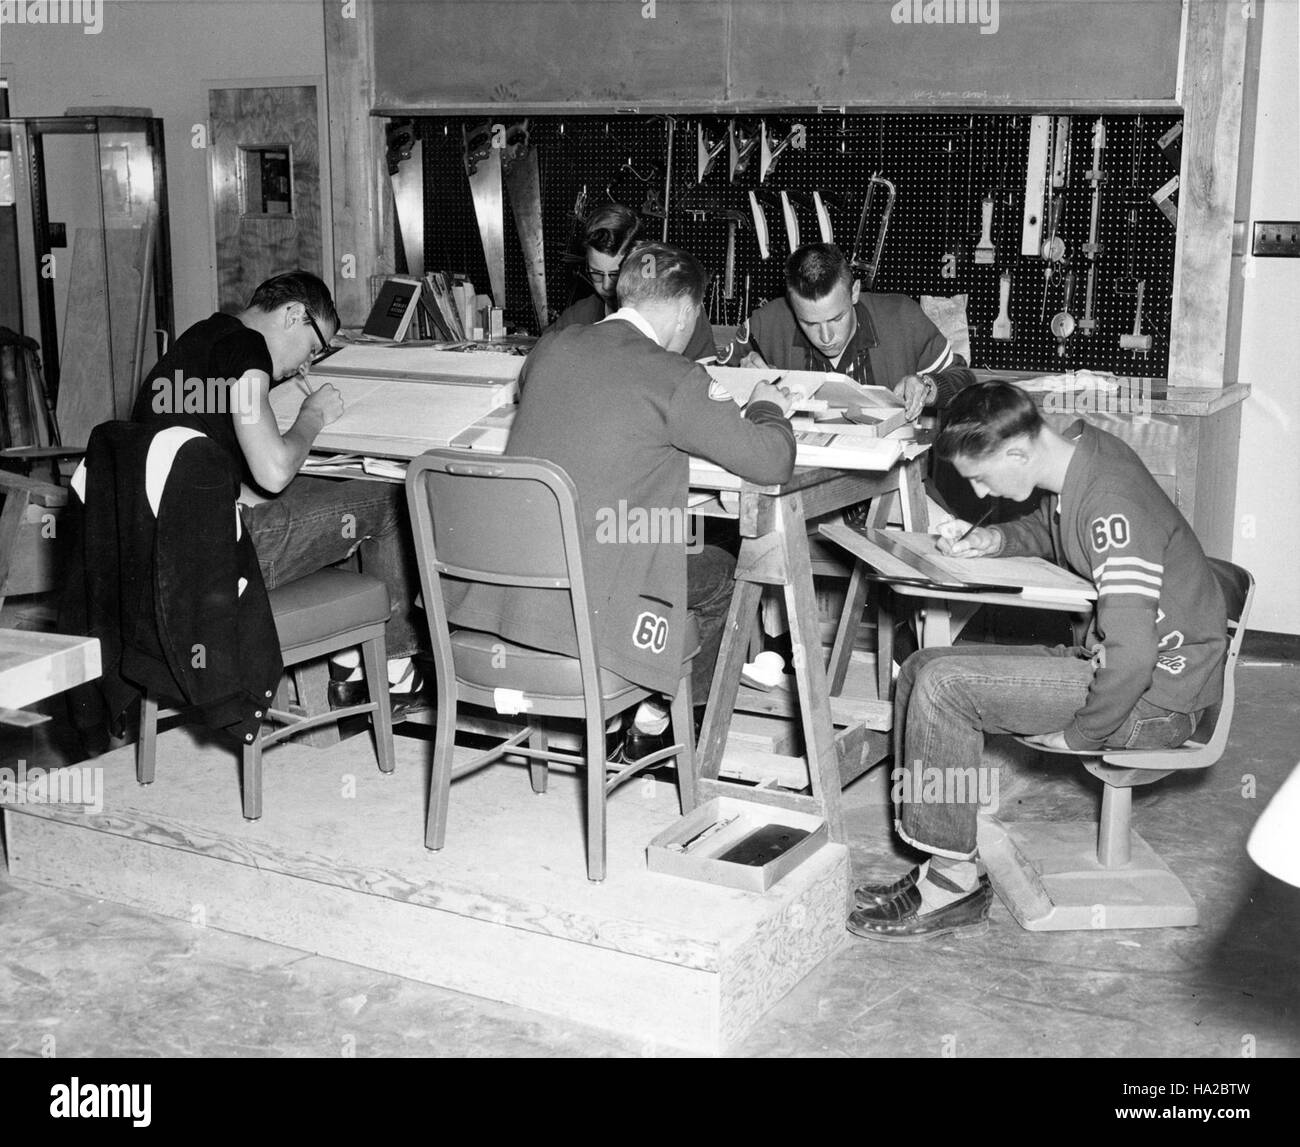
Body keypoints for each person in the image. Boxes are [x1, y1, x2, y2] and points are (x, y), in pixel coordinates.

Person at [848, 380, 1228, 941]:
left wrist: (1081, 735)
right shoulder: (1079, 456)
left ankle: (953, 884)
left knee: (944, 687)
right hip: (1112, 662)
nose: (977, 495)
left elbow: (1134, 655)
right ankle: (945, 857)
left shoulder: (1111, 503)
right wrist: (995, 541)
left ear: (1019, 452)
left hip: (1155, 696)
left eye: (980, 476)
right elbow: (1057, 530)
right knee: (925, 667)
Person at [447, 242, 796, 759]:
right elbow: (771, 462)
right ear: (685, 309)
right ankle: (657, 724)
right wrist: (768, 407)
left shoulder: (555, 345)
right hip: (593, 599)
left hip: (511, 587)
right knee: (722, 568)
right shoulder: (678, 379)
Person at [129, 270, 425, 713]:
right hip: (222, 565)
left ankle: (347, 660)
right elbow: (273, 471)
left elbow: (196, 456)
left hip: (162, 560)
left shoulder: (201, 339)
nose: (305, 366)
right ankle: (393, 671)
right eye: (313, 348)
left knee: (329, 494)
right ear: (292, 315)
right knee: (389, 495)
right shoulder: (247, 349)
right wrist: (312, 415)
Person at [720, 241, 974, 421]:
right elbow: (709, 388)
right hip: (797, 471)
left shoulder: (902, 317)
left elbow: (964, 381)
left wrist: (928, 387)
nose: (826, 337)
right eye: (810, 323)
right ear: (790, 302)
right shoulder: (766, 324)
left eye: (836, 318)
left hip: (884, 482)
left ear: (854, 292)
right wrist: (742, 385)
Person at [551, 203, 717, 363]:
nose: (607, 285)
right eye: (597, 274)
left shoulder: (682, 312)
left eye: (616, 274)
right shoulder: (577, 317)